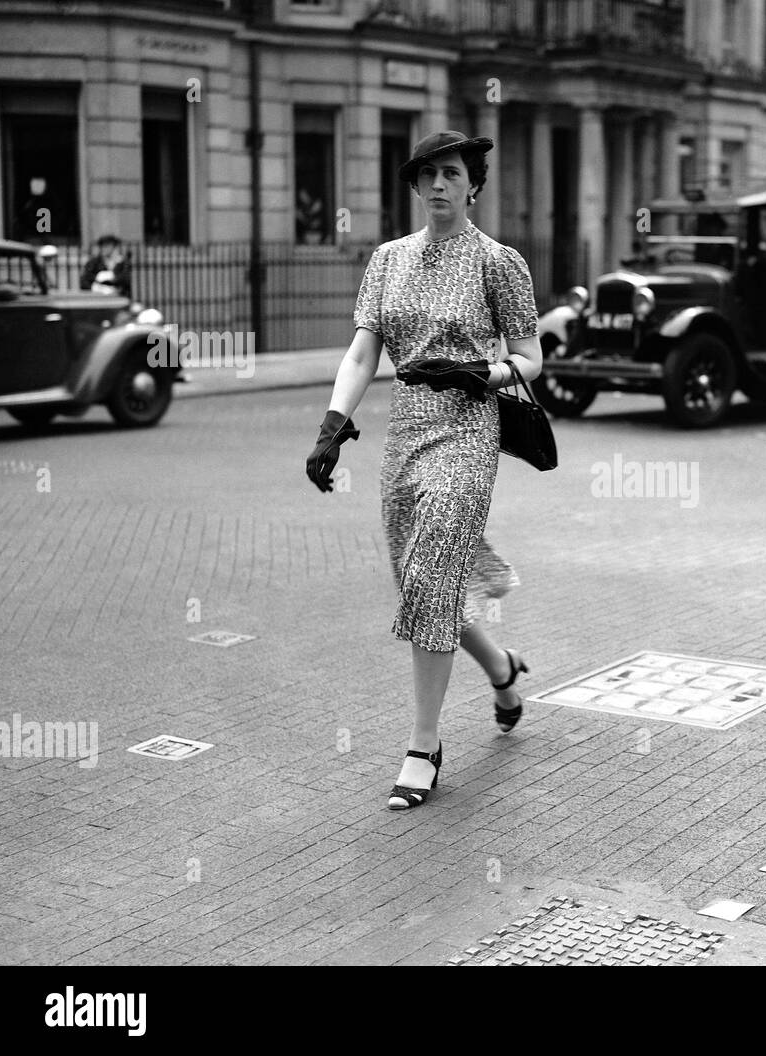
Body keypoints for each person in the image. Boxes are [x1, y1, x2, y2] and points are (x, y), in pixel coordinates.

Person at [305, 130, 543, 810]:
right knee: (423, 584)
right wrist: (332, 425)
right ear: (414, 187)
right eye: (425, 175)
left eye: (450, 173)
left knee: (434, 573)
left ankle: (423, 745)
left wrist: (481, 372)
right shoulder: (387, 260)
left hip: (468, 433)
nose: (437, 184)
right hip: (404, 436)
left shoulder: (500, 263)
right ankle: (501, 667)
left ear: (473, 184)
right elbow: (362, 352)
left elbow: (530, 358)